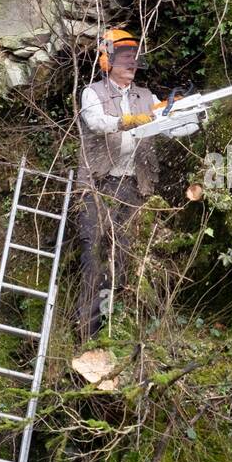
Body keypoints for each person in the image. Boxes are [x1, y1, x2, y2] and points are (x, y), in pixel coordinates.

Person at [75, 26, 162, 341]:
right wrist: (129, 121)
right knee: (94, 255)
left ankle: (115, 329)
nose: (130, 63)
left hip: (132, 186)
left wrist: (193, 119)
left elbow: (168, 125)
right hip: (98, 186)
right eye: (124, 57)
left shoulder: (145, 97)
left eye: (133, 58)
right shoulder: (93, 93)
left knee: (123, 257)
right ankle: (88, 331)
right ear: (106, 61)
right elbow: (97, 123)